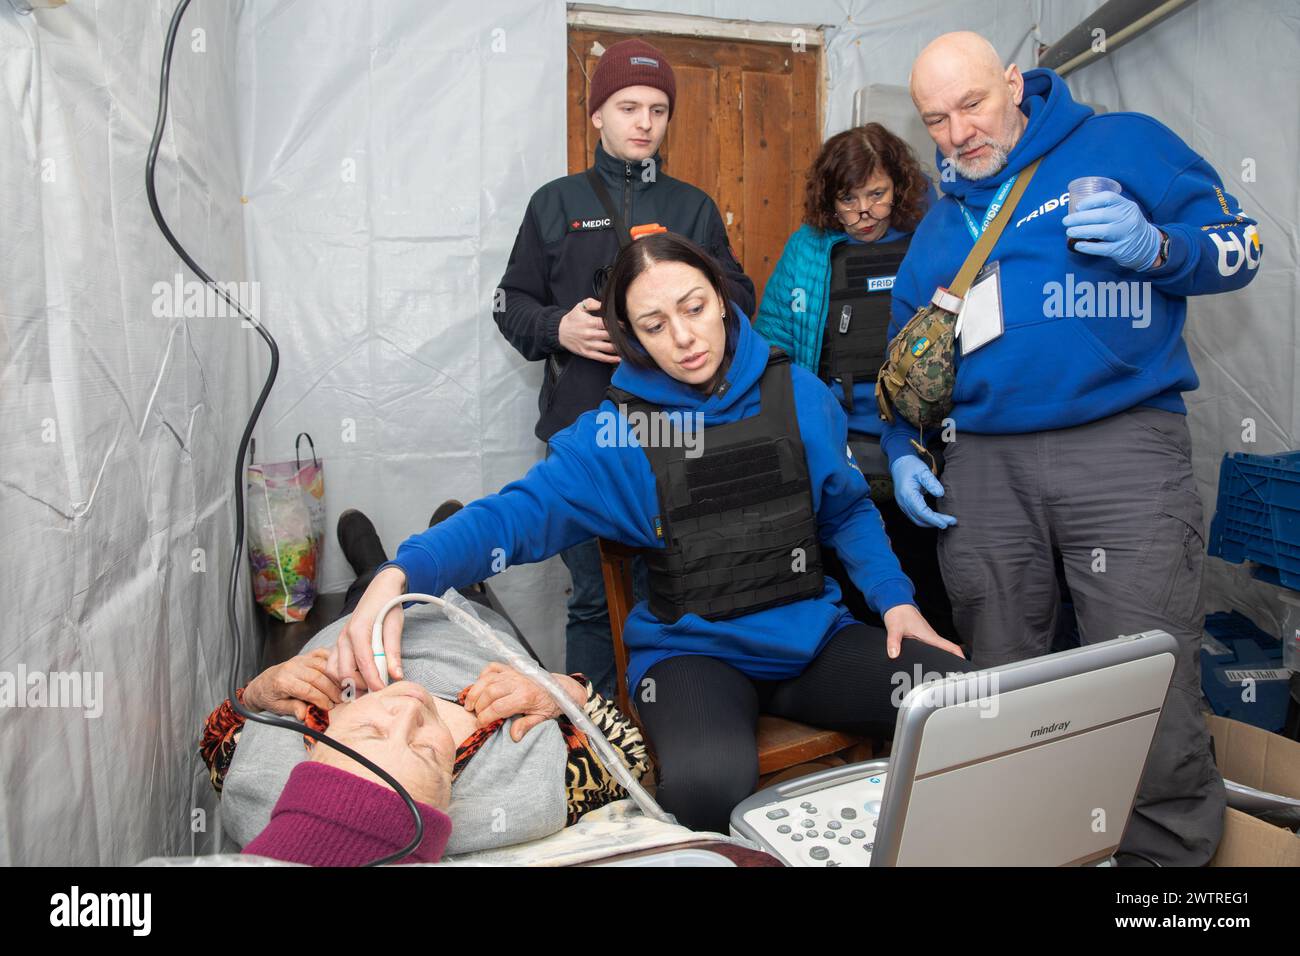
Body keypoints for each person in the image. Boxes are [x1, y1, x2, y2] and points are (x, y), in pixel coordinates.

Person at [337, 232, 970, 834]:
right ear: (631, 339)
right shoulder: (614, 437)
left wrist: (897, 602)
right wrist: (400, 572)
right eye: (654, 326)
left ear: (720, 300)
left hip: (809, 641)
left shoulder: (799, 392)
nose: (685, 337)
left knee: (964, 702)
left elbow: (847, 511)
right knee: (706, 784)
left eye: (694, 308)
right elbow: (509, 516)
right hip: (691, 658)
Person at [889, 31, 1262, 865]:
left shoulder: (1122, 144)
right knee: (1003, 680)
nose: (958, 133)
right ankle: (1030, 846)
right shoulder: (938, 227)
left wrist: (1160, 248)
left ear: (1015, 83)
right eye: (936, 119)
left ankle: (1164, 873)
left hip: (1123, 450)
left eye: (973, 104)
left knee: (1145, 674)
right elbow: (902, 366)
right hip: (983, 468)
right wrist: (900, 446)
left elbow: (1243, 248)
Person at [492, 37, 755, 700]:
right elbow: (508, 303)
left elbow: (741, 299)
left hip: (679, 432)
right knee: (589, 599)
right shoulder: (554, 202)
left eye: (659, 109)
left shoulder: (693, 206)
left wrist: (689, 309)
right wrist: (560, 327)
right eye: (628, 106)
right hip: (585, 430)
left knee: (678, 590)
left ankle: (672, 731)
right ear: (596, 116)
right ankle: (595, 745)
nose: (645, 122)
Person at [200, 508, 650, 866]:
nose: (411, 710)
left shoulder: (259, 796)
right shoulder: (525, 793)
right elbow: (629, 756)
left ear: (316, 743)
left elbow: (219, 737)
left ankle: (372, 563)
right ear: (448, 796)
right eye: (427, 752)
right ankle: (450, 549)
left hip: (358, 629)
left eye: (369, 734)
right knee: (469, 589)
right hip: (462, 630)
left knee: (367, 591)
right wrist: (560, 692)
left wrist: (256, 693)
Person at [754, 123, 953, 640]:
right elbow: (771, 344)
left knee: (928, 582)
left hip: (926, 441)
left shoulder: (933, 236)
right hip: (840, 446)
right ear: (829, 198)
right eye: (848, 199)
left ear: (900, 187)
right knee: (852, 581)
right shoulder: (809, 249)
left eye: (877, 195)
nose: (863, 212)